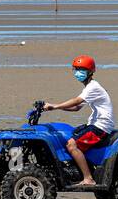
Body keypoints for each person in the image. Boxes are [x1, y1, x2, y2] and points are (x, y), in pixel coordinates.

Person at [42, 54, 114, 187]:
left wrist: (55, 105)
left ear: (90, 71)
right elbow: (76, 107)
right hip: (94, 124)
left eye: (82, 69)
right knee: (68, 135)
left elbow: (76, 101)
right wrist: (54, 108)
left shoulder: (93, 87)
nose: (78, 72)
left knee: (71, 145)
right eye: (76, 69)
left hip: (100, 127)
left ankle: (88, 179)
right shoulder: (88, 88)